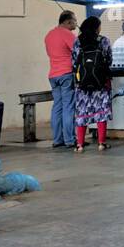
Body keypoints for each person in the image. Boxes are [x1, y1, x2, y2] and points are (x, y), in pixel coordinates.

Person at [72, 16, 113, 152]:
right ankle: (101, 143)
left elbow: (74, 62)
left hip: (82, 84)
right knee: (101, 111)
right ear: (96, 28)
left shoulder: (78, 41)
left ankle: (80, 145)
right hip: (100, 82)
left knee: (82, 112)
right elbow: (109, 60)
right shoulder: (103, 40)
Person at [45, 10, 77, 149]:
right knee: (68, 107)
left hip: (53, 75)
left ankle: (57, 139)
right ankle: (70, 140)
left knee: (57, 107)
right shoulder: (68, 34)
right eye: (75, 21)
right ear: (68, 21)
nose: (76, 23)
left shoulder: (49, 35)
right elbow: (78, 51)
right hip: (66, 73)